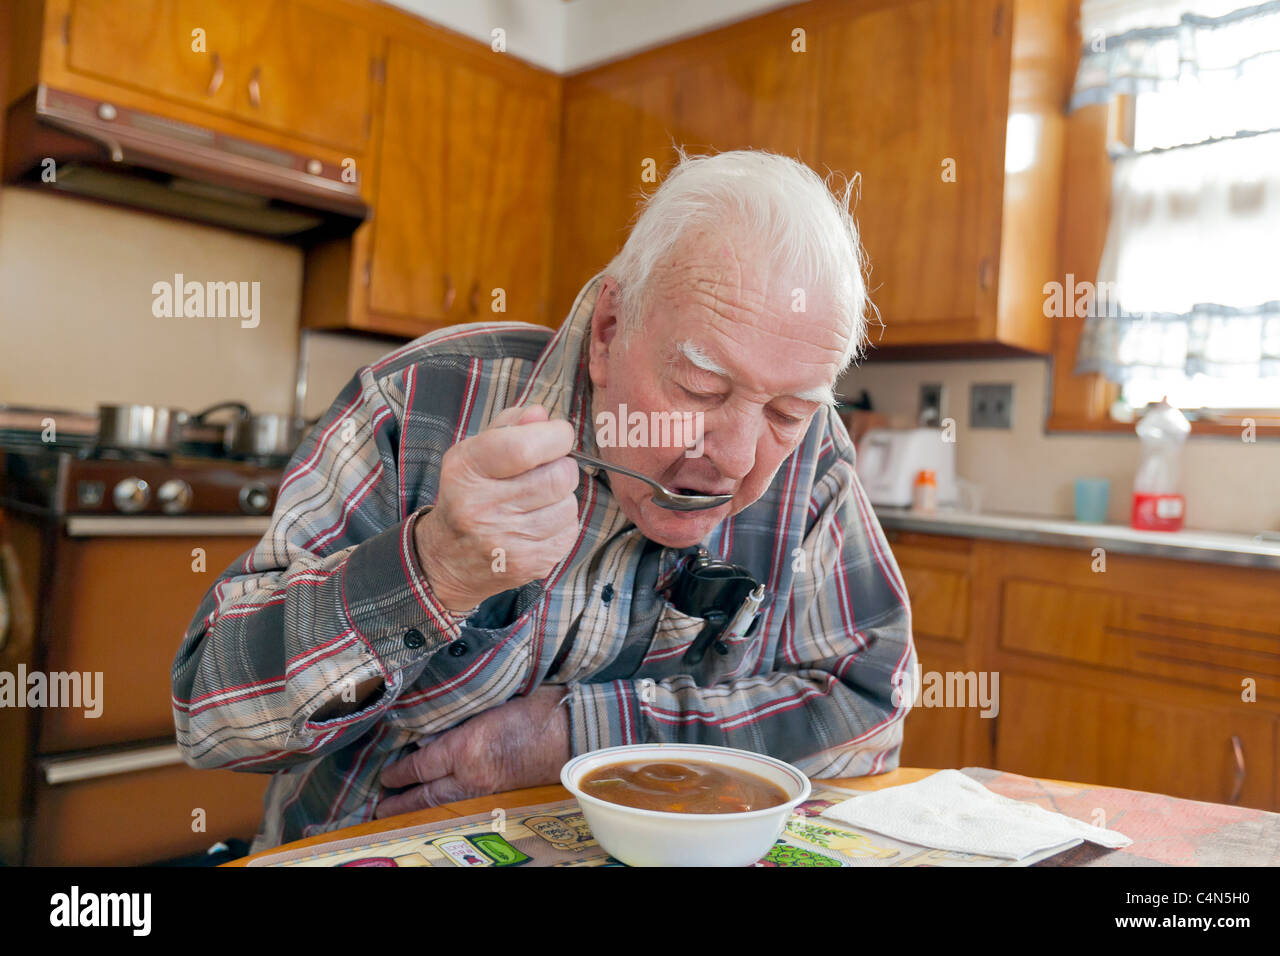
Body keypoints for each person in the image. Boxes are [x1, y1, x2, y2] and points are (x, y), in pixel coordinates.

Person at [172, 147, 916, 852]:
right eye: (700, 390)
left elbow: (870, 710)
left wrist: (576, 737)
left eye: (786, 412)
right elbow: (215, 722)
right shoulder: (420, 403)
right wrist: (432, 570)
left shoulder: (814, 459)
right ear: (609, 330)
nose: (737, 458)